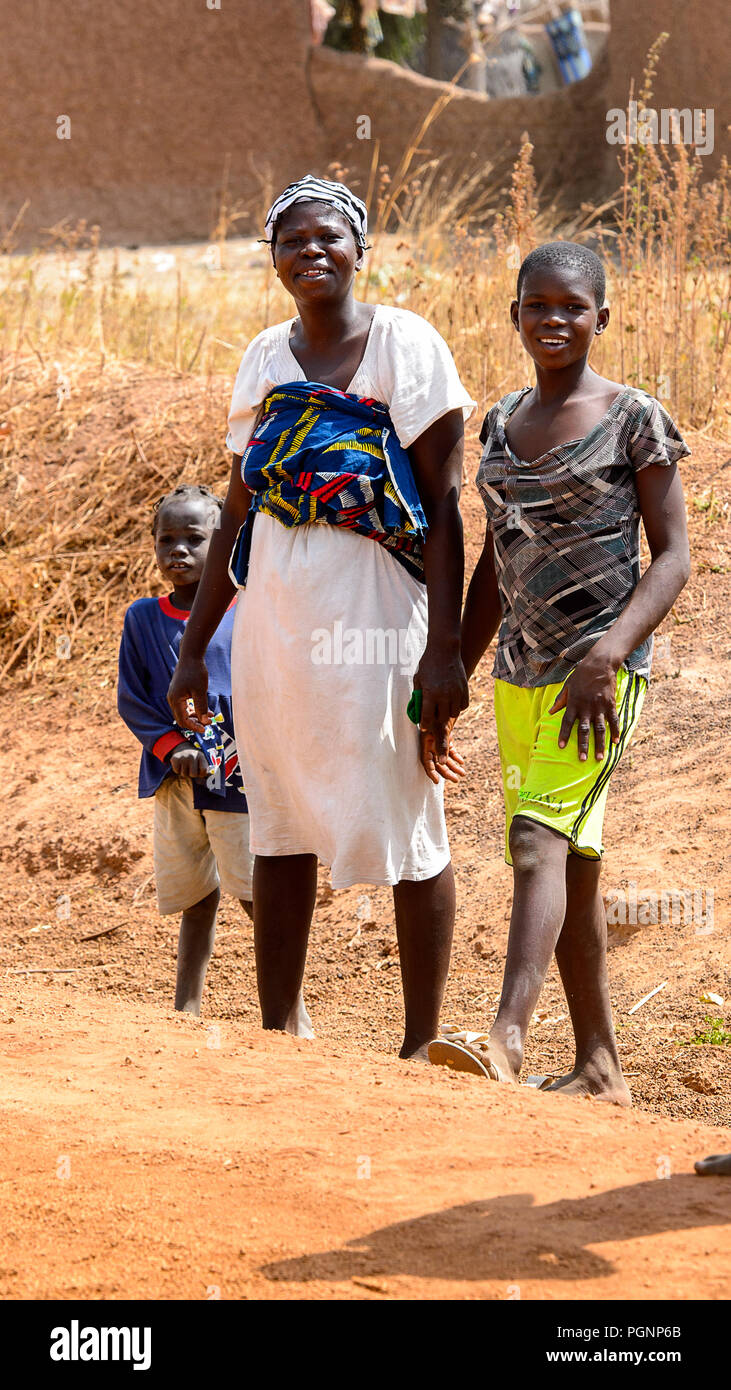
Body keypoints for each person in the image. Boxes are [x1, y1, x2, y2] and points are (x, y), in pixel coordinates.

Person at [167, 174, 476, 1058]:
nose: (310, 251)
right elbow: (235, 513)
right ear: (272, 258)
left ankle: (418, 1046)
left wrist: (445, 647)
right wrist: (195, 651)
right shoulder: (265, 356)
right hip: (276, 622)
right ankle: (278, 1034)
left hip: (379, 618)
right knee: (280, 811)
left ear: (359, 249)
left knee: (405, 815)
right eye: (291, 240)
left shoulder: (404, 346)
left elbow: (445, 504)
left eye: (328, 236)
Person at [426, 241, 691, 1104]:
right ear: (514, 316)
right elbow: (495, 567)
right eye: (535, 305)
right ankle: (600, 1068)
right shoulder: (499, 425)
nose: (552, 320)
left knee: (534, 838)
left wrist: (607, 655)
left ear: (600, 318)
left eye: (571, 306)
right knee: (569, 865)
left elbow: (673, 559)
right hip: (517, 677)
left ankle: (503, 1038)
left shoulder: (633, 417)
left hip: (600, 682)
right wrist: (453, 677)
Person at [118, 484, 254, 1016]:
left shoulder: (248, 611)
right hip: (175, 783)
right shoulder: (143, 620)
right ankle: (186, 1010)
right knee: (196, 896)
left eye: (195, 539)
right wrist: (173, 747)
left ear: (222, 543)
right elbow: (134, 700)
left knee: (253, 893)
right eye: (166, 539)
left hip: (238, 781)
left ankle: (288, 1011)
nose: (178, 550)